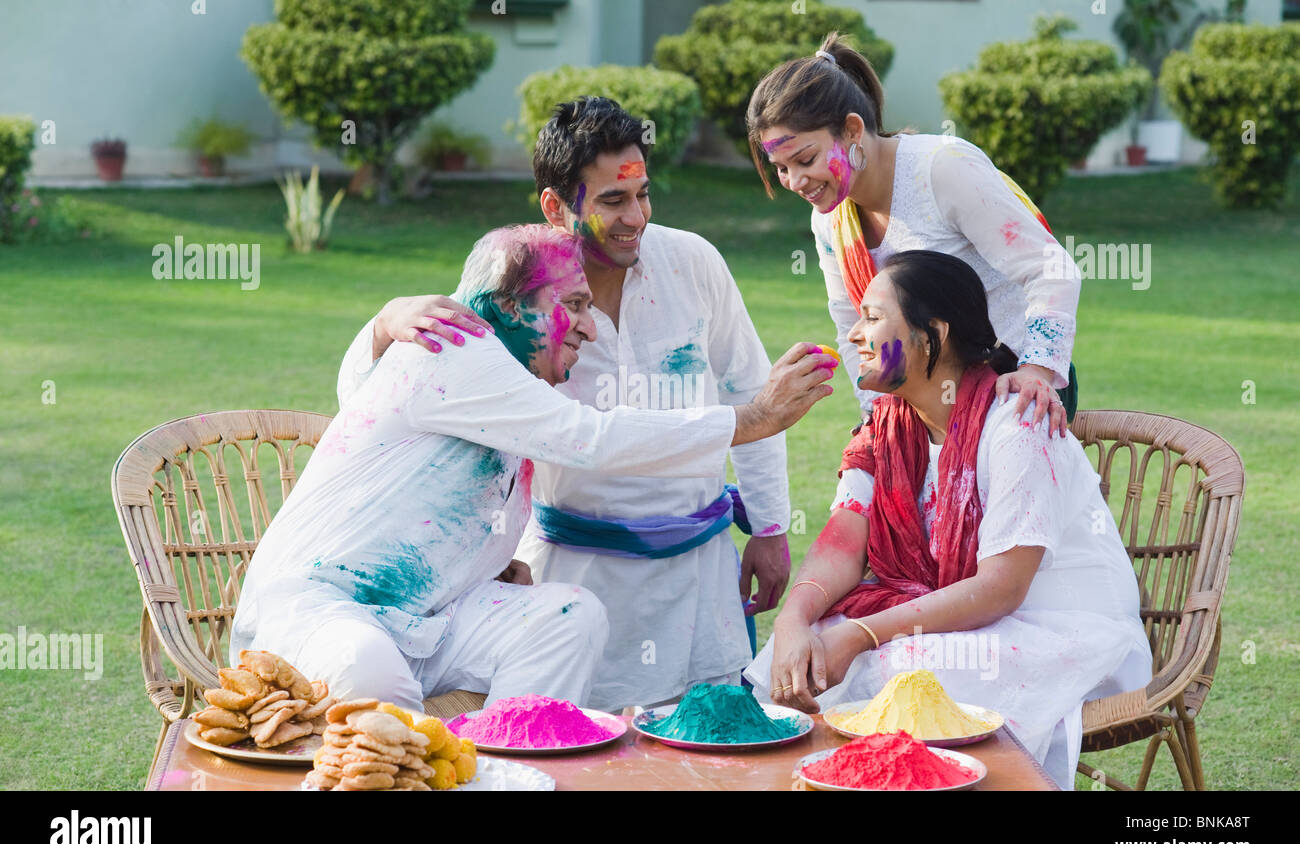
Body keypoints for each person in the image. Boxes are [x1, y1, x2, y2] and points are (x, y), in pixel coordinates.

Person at [232, 224, 833, 712]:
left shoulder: (509, 386)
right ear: (507, 305)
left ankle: (507, 768)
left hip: (430, 621)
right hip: (326, 610)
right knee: (371, 674)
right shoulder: (459, 350)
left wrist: (486, 565)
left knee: (567, 617)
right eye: (573, 305)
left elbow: (364, 392)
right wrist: (750, 418)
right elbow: (590, 438)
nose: (591, 326)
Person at [341, 98, 811, 712]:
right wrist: (382, 325)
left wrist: (771, 528)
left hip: (700, 580)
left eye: (643, 195)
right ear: (554, 207)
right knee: (577, 750)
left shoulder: (693, 262)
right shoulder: (517, 290)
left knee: (699, 755)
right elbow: (376, 394)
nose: (635, 217)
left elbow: (750, 391)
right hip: (572, 574)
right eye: (614, 201)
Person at [745, 250, 1152, 790]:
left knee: (904, 667)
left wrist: (863, 634)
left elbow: (1000, 589)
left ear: (931, 334)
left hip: (1059, 628)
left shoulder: (1018, 426)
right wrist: (794, 619)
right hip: (951, 613)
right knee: (800, 648)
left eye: (872, 317)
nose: (853, 337)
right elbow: (844, 541)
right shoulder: (885, 430)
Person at [747, 31, 1081, 438]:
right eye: (781, 168)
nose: (795, 180)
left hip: (1016, 390)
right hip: (923, 413)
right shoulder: (830, 219)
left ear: (853, 130)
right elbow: (851, 322)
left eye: (805, 159)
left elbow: (1051, 269)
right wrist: (876, 417)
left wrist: (1037, 370)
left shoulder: (942, 169)